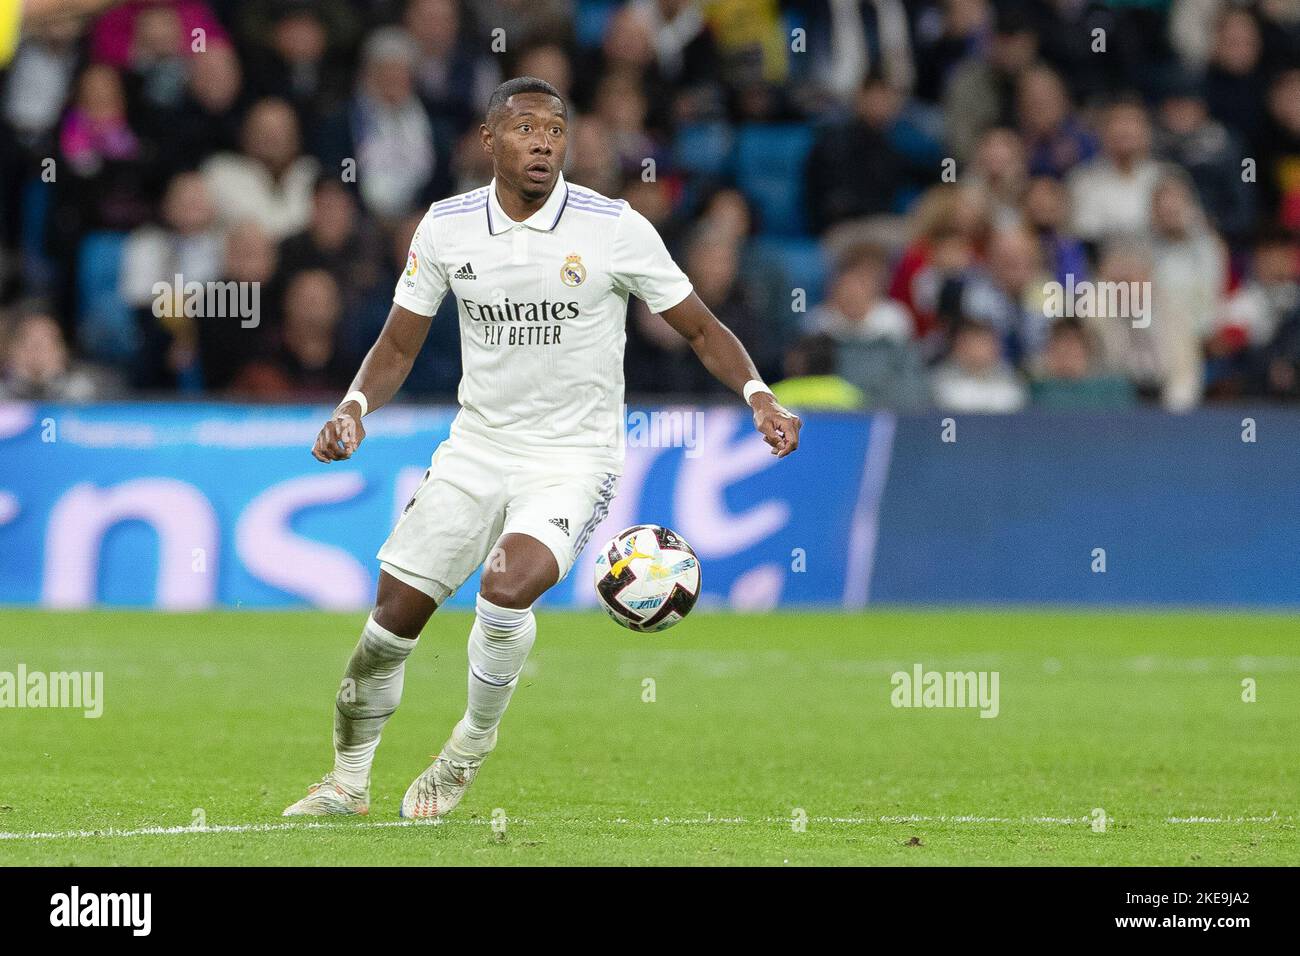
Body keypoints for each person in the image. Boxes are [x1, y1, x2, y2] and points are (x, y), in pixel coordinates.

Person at [283, 76, 802, 819]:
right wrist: (355, 407)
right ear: (490, 140)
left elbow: (698, 326)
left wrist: (759, 395)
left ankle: (468, 746)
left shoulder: (612, 227)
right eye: (526, 129)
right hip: (477, 448)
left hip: (572, 457)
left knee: (504, 589)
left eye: (556, 131)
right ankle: (346, 782)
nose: (543, 143)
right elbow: (398, 345)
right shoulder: (446, 226)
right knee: (387, 627)